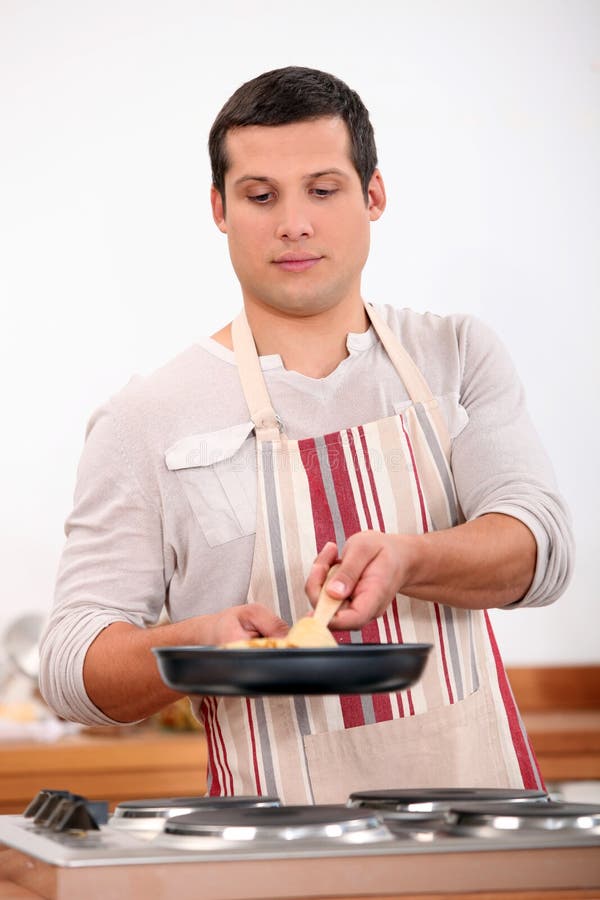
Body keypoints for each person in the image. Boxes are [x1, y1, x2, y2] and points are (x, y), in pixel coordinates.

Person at [39, 66, 573, 803]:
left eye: (323, 190)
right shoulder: (146, 418)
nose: (294, 222)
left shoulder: (453, 356)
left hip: (475, 837)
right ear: (220, 210)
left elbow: (540, 550)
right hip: (268, 853)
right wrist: (197, 644)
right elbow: (70, 667)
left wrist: (409, 560)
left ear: (373, 195)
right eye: (261, 196)